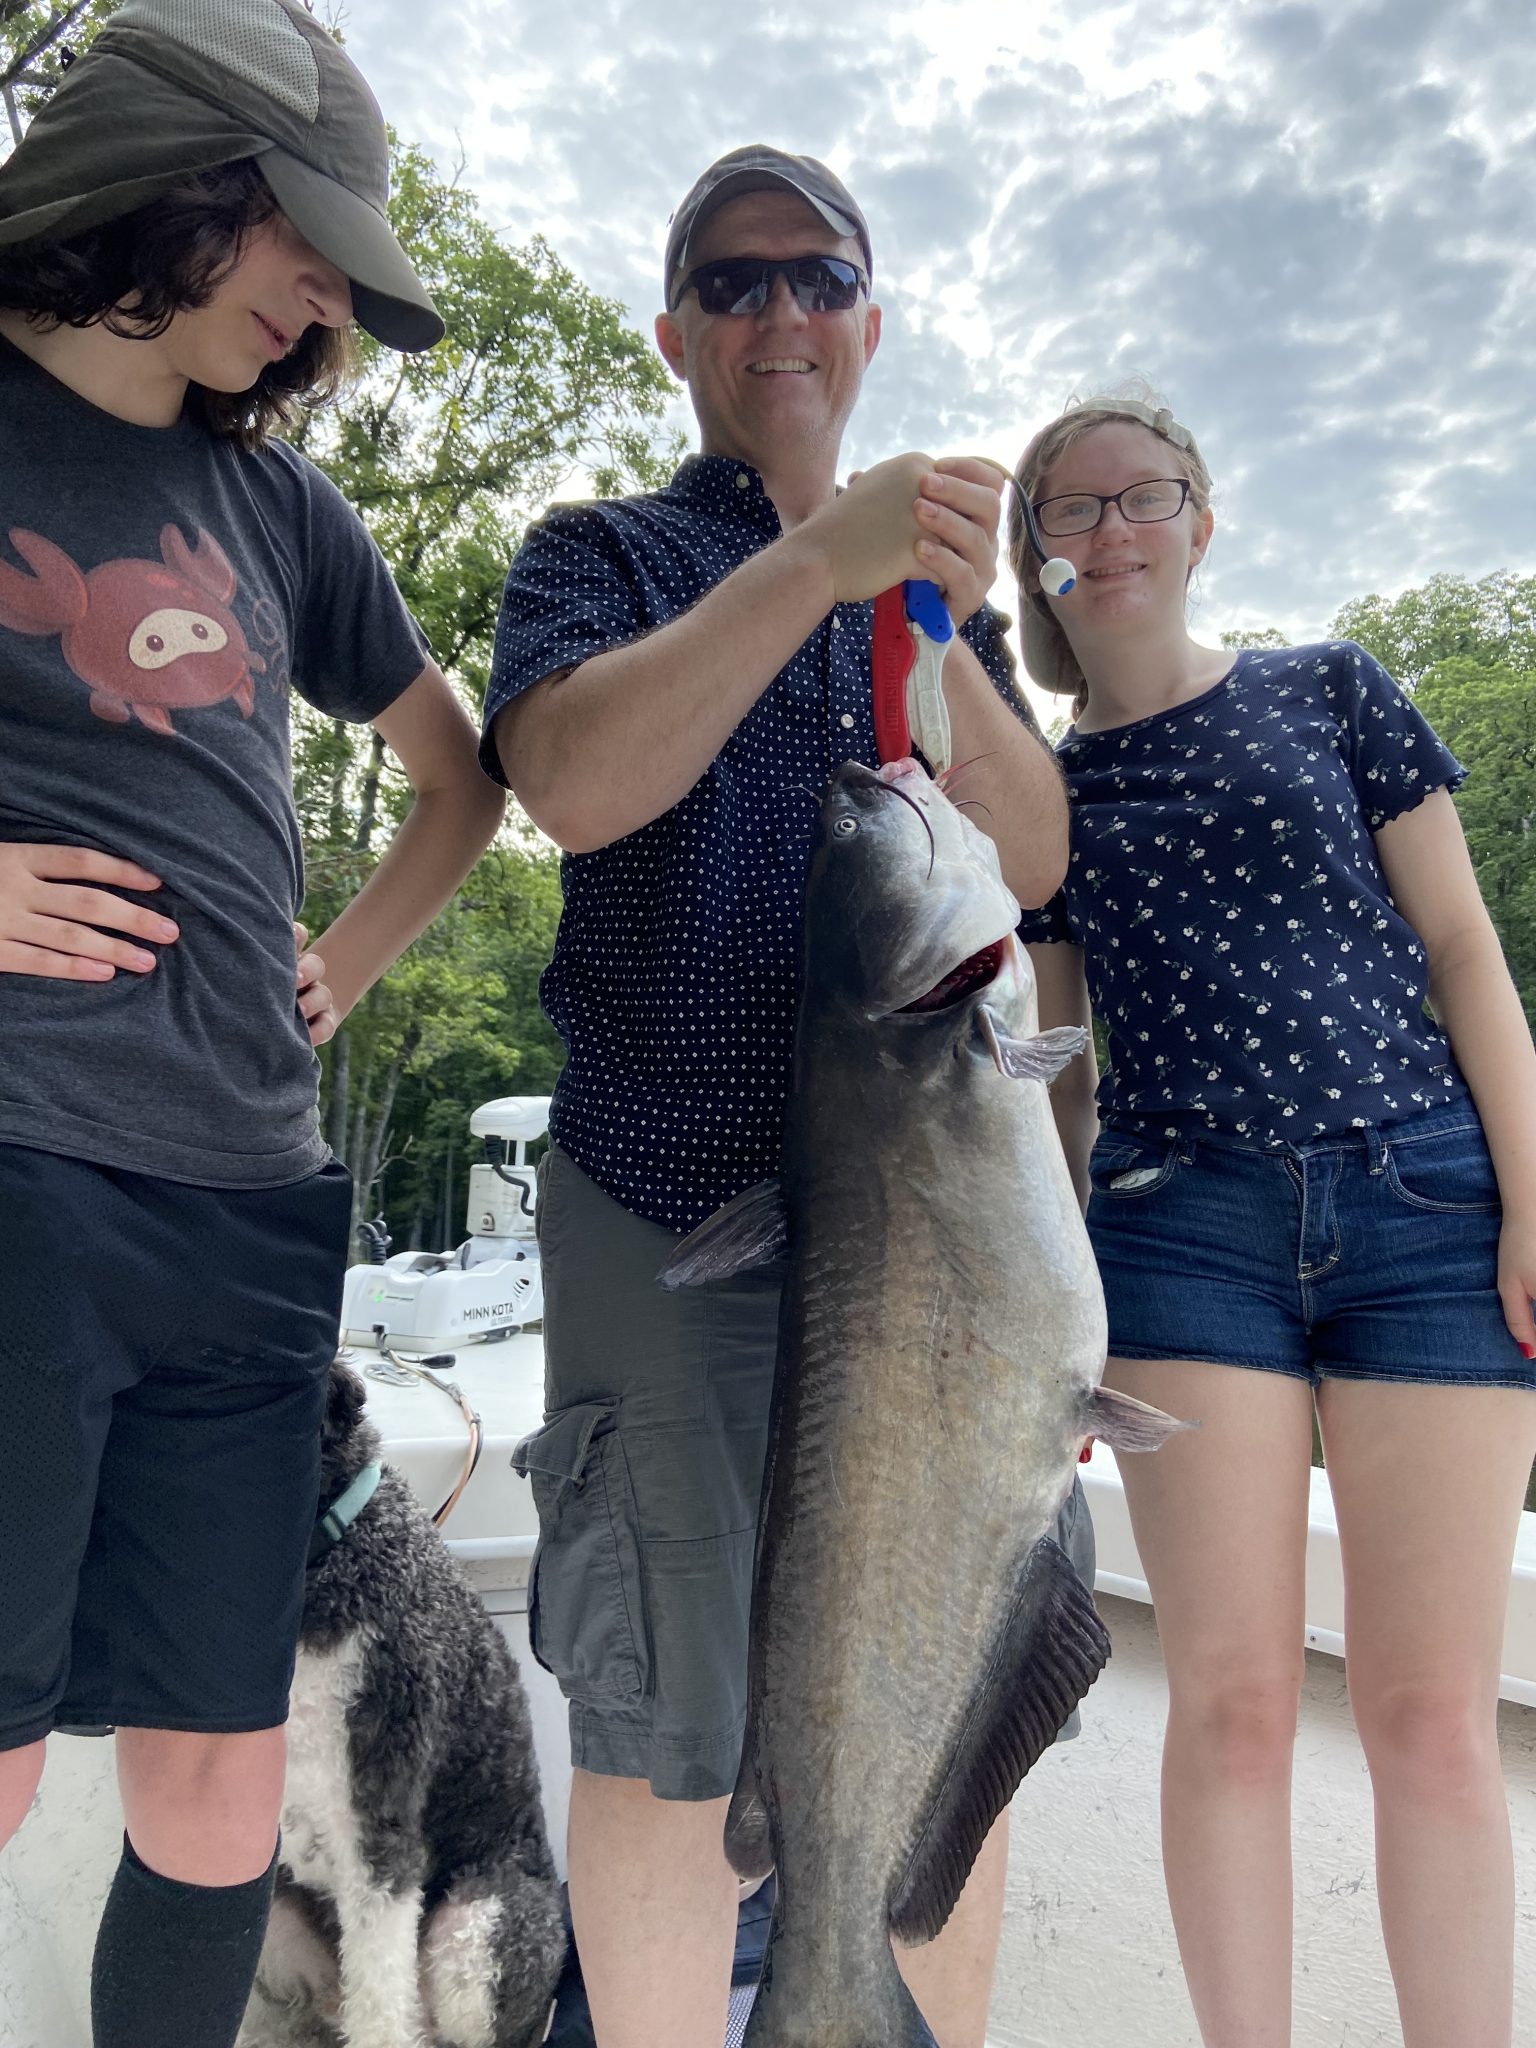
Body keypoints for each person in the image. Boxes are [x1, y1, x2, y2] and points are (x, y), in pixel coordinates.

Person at [482, 147, 1078, 2048]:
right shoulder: (601, 558)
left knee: (956, 1690)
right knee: (665, 1735)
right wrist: (808, 566)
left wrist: (937, 628)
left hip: (947, 1277)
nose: (779, 315)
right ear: (677, 334)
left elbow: (1036, 856)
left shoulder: (939, 626)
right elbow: (572, 784)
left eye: (818, 278)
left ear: (870, 323)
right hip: (668, 1207)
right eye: (732, 287)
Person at [0, 5, 504, 2044]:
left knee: (214, 1779)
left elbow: (464, 783)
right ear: (182, 179)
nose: (323, 305)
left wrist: (350, 958)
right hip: (22, 1169)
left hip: (253, 1206)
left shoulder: (289, 519)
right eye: (306, 243)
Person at [1009, 390, 1536, 2048]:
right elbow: (1058, 1065)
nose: (1112, 530)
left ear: (1202, 516)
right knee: (1231, 1707)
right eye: (1073, 511)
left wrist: (1532, 1200)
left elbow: (1464, 949)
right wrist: (1049, 1304)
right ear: (1043, 558)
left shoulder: (1335, 692)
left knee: (1431, 1716)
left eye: (1142, 496)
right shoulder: (1043, 793)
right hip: (1182, 1238)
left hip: (1426, 1208)